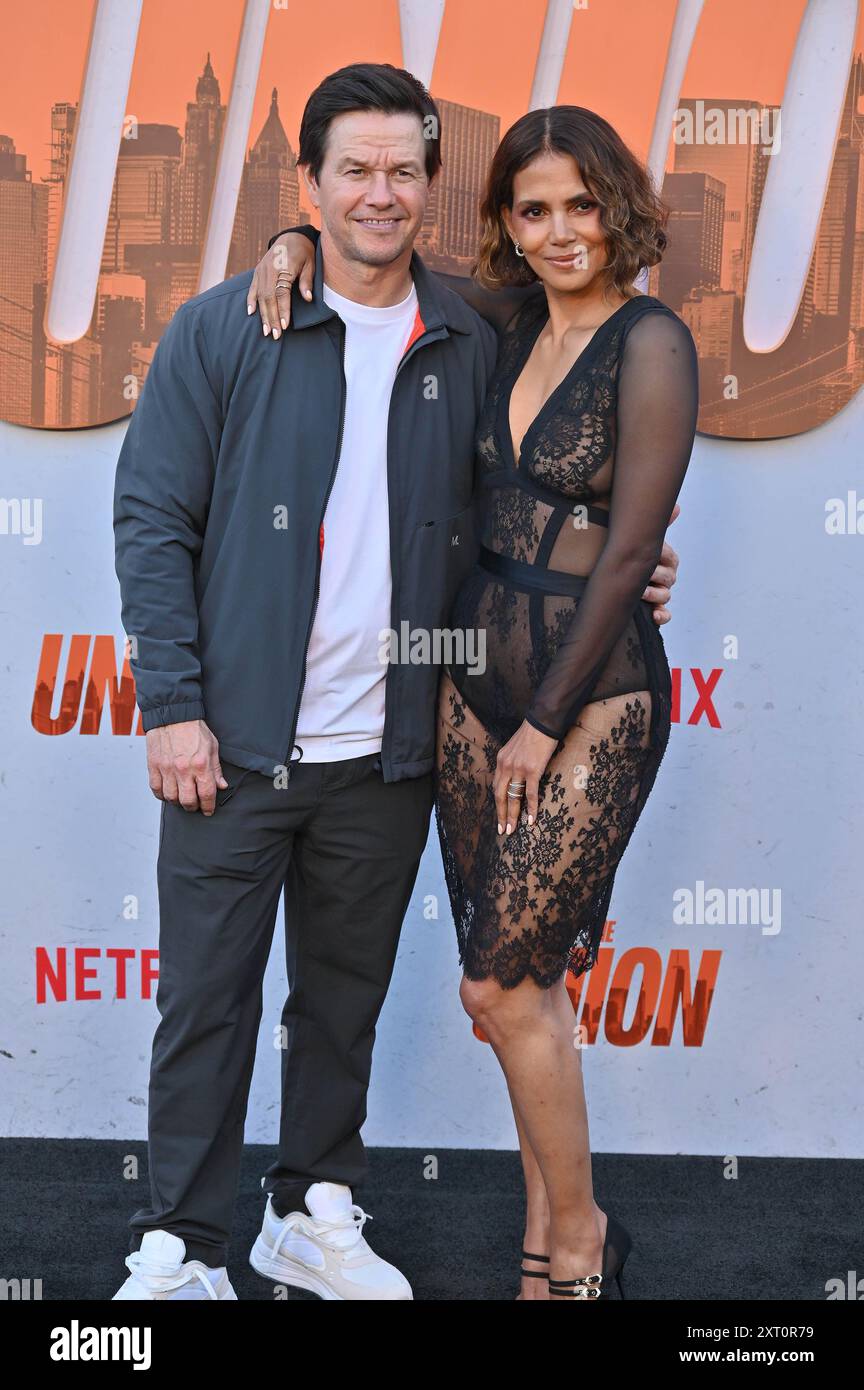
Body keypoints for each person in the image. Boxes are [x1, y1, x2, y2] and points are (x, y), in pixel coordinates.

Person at [112, 62, 679, 1301]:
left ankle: (312, 1209)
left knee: (340, 1001)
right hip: (237, 736)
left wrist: (619, 560)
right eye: (351, 170)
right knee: (205, 1004)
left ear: (432, 186)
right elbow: (153, 518)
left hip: (394, 736)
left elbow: (556, 466)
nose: (379, 192)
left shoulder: (480, 328)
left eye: (403, 170)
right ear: (306, 184)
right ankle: (183, 1247)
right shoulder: (228, 323)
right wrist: (173, 704)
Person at [257, 105, 697, 1301]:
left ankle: (583, 1238)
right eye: (534, 208)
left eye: (581, 203)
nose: (561, 232)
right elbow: (376, 256)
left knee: (498, 982)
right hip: (465, 680)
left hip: (589, 696)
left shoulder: (651, 341)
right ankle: (544, 1249)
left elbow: (627, 557)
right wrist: (290, 242)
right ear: (506, 220)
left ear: (618, 204)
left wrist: (545, 722)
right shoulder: (495, 323)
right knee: (528, 990)